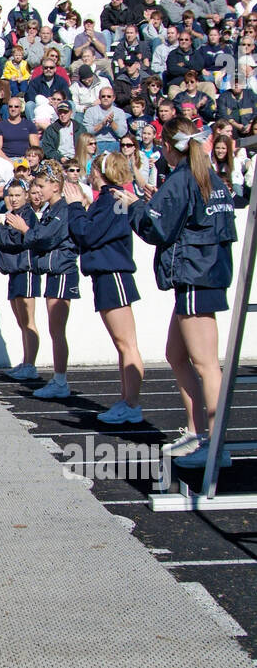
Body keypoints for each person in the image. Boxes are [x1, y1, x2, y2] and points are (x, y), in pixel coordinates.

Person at [117, 118, 237, 471]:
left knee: (206, 364)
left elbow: (157, 228)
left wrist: (133, 205)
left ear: (169, 147)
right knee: (177, 354)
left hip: (195, 275)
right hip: (203, 272)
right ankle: (198, 432)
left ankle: (215, 444)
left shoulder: (184, 178)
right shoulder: (207, 177)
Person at [64, 152, 144, 424]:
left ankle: (132, 404)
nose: (89, 173)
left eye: (92, 169)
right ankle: (127, 401)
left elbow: (88, 233)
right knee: (123, 345)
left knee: (127, 344)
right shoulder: (112, 198)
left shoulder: (112, 199)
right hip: (107, 273)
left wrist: (75, 206)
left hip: (113, 273)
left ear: (101, 171)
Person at [5, 159, 79, 400]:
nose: (37, 190)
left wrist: (26, 229)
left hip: (63, 272)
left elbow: (45, 237)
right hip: (54, 272)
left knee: (57, 330)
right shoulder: (52, 209)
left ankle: (60, 380)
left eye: (41, 185)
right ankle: (59, 379)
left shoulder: (62, 209)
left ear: (55, 186)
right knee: (55, 329)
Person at [0, 178, 40, 381]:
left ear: (25, 196)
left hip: (26, 270)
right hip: (15, 271)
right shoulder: (13, 216)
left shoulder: (27, 216)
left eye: (18, 195)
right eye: (11, 195)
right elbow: (4, 242)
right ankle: (26, 362)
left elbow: (15, 241)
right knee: (21, 322)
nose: (14, 199)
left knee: (28, 321)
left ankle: (31, 364)